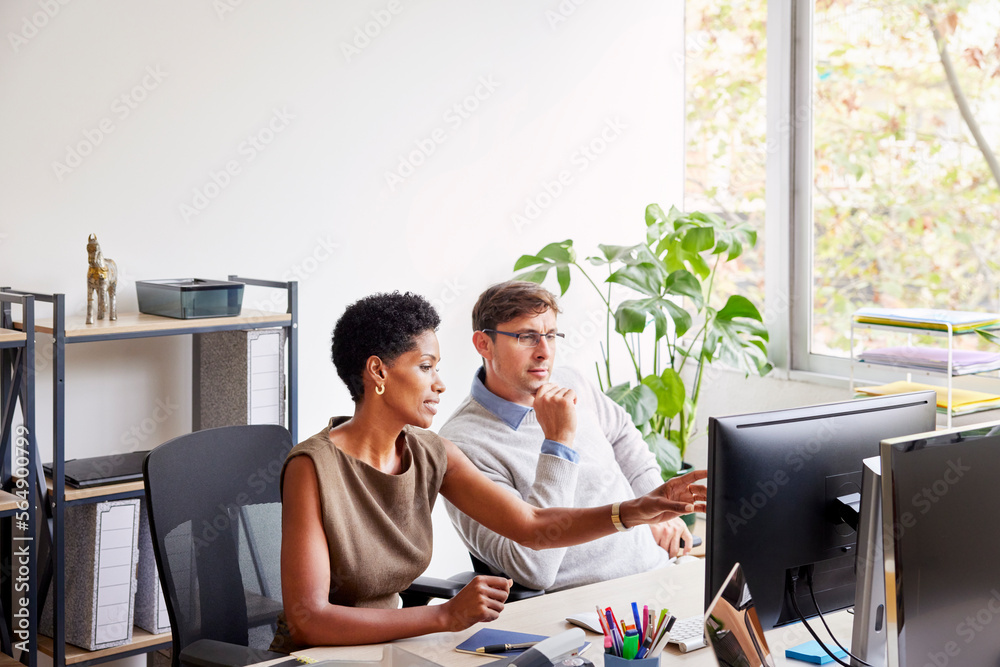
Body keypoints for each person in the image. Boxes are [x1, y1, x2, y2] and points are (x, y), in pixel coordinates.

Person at [274, 291, 706, 651]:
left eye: (438, 367)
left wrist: (636, 510)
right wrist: (444, 614)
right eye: (426, 367)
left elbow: (535, 526)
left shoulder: (431, 451)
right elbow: (308, 620)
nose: (440, 383)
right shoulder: (312, 467)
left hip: (393, 648)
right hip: (322, 658)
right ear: (378, 372)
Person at [441, 281, 696, 593]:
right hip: (581, 606)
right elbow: (534, 569)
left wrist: (656, 511)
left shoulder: (570, 381)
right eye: (527, 337)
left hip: (657, 572)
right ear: (484, 344)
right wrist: (558, 442)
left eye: (550, 335)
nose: (545, 352)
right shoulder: (462, 444)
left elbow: (622, 434)